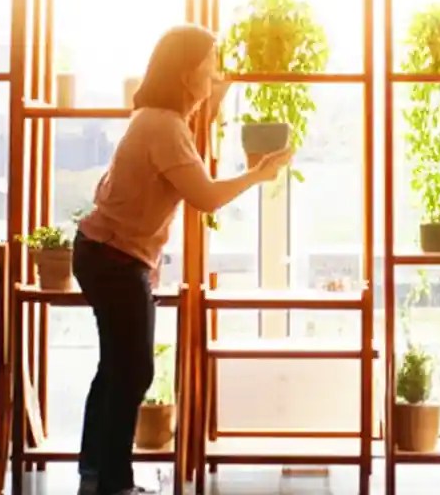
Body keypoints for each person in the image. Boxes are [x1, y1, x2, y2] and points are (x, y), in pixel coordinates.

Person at [72, 24, 292, 495]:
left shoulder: (156, 119)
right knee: (133, 370)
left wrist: (214, 104)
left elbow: (187, 150)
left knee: (116, 367)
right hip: (113, 258)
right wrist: (259, 174)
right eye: (209, 65)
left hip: (102, 252)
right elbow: (206, 197)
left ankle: (95, 475)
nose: (215, 72)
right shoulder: (163, 126)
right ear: (186, 72)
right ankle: (112, 482)